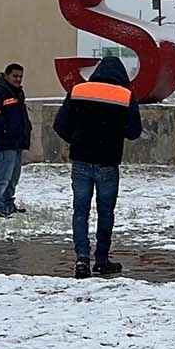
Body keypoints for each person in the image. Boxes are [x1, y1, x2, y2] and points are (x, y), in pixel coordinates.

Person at [53, 55, 142, 279]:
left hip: (81, 160)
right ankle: (102, 259)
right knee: (105, 212)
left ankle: (82, 258)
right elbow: (134, 132)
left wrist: (77, 140)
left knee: (80, 211)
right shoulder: (125, 95)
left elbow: (60, 125)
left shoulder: (78, 90)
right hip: (107, 162)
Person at [0, 63, 31, 217]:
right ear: (7, 75)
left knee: (13, 177)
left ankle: (8, 204)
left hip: (17, 142)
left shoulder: (18, 93)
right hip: (3, 143)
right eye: (15, 76)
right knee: (2, 176)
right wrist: (6, 129)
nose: (18, 79)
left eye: (20, 76)